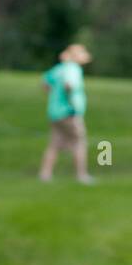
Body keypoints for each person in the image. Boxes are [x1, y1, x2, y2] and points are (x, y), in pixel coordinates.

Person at [38, 43, 94, 185]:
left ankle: (45, 174)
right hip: (69, 113)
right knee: (78, 142)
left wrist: (56, 96)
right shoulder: (73, 69)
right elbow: (69, 85)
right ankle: (81, 175)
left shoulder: (58, 69)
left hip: (54, 113)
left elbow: (45, 84)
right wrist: (70, 102)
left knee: (55, 144)